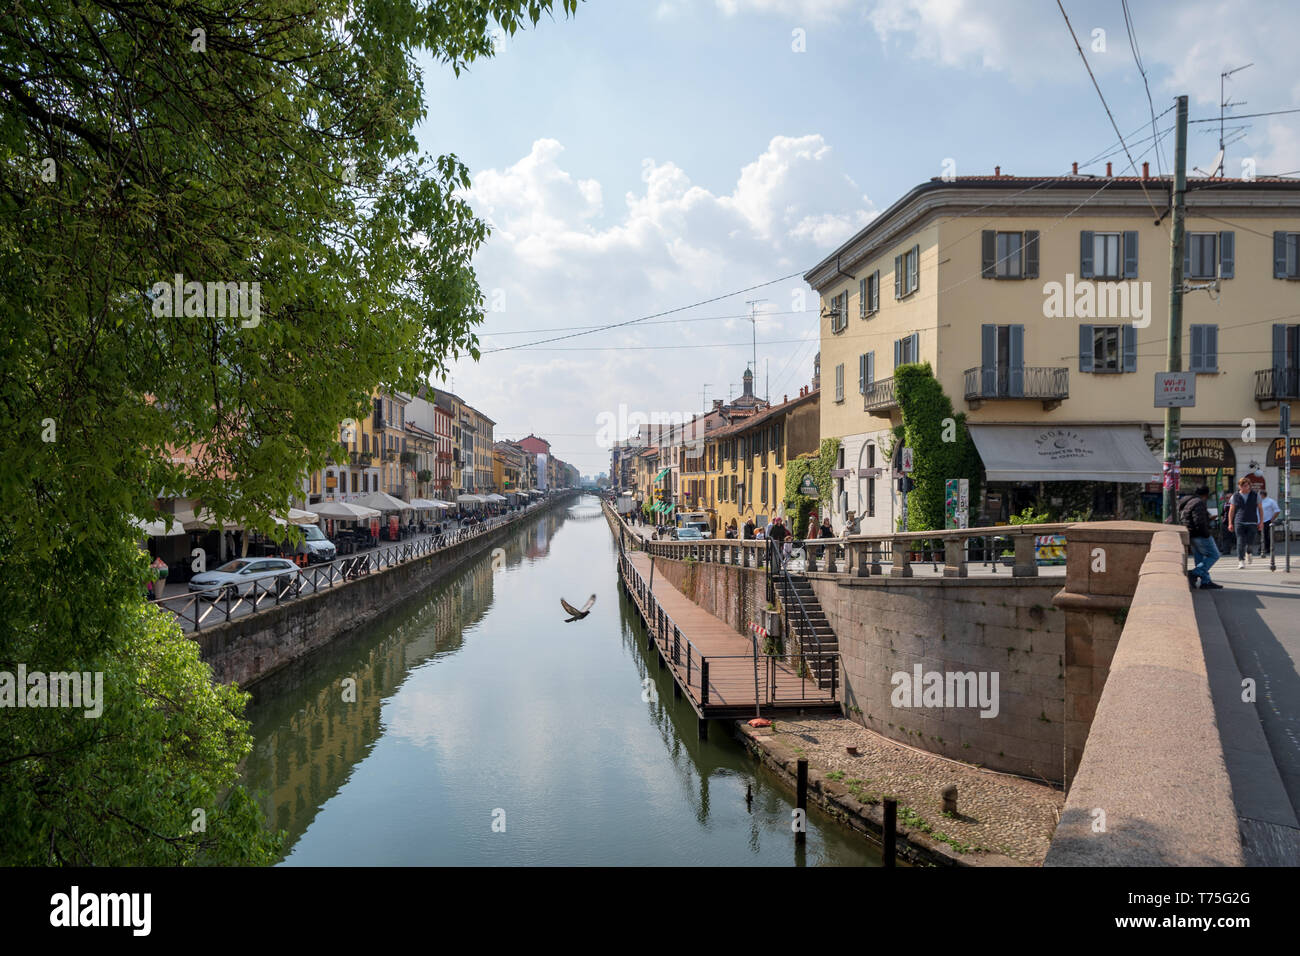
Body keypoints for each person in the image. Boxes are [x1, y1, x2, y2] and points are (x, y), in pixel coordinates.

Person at [1180, 484, 1222, 589]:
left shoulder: (1189, 501)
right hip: (1200, 534)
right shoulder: (1199, 503)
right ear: (1206, 495)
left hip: (1191, 534)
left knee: (1200, 558)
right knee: (1214, 555)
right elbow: (1199, 521)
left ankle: (1205, 581)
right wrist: (1206, 534)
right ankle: (1194, 573)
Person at [1227, 477, 1262, 568]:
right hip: (1239, 521)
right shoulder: (1235, 496)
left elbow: (1260, 509)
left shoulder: (1255, 495)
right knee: (1240, 541)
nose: (1244, 488)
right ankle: (1241, 560)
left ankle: (1249, 552)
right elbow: (1231, 510)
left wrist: (1261, 522)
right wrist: (1230, 523)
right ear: (1239, 486)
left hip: (1252, 521)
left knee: (1250, 542)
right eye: (1242, 486)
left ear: (1249, 486)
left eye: (1246, 486)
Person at [1260, 491, 1280, 556]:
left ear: (1263, 495)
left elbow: (1277, 510)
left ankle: (1265, 548)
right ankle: (1263, 547)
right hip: (1260, 521)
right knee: (1261, 534)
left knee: (1265, 535)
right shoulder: (1259, 501)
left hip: (1267, 520)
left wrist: (1272, 519)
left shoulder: (1271, 501)